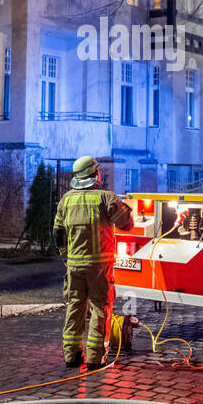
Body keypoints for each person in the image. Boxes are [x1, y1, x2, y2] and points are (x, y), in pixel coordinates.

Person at [52, 156, 132, 369]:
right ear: (95, 174)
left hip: (74, 266)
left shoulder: (66, 200)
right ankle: (96, 359)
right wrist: (122, 206)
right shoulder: (106, 198)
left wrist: (66, 258)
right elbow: (126, 224)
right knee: (99, 309)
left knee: (74, 308)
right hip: (100, 267)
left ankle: (71, 356)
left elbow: (58, 234)